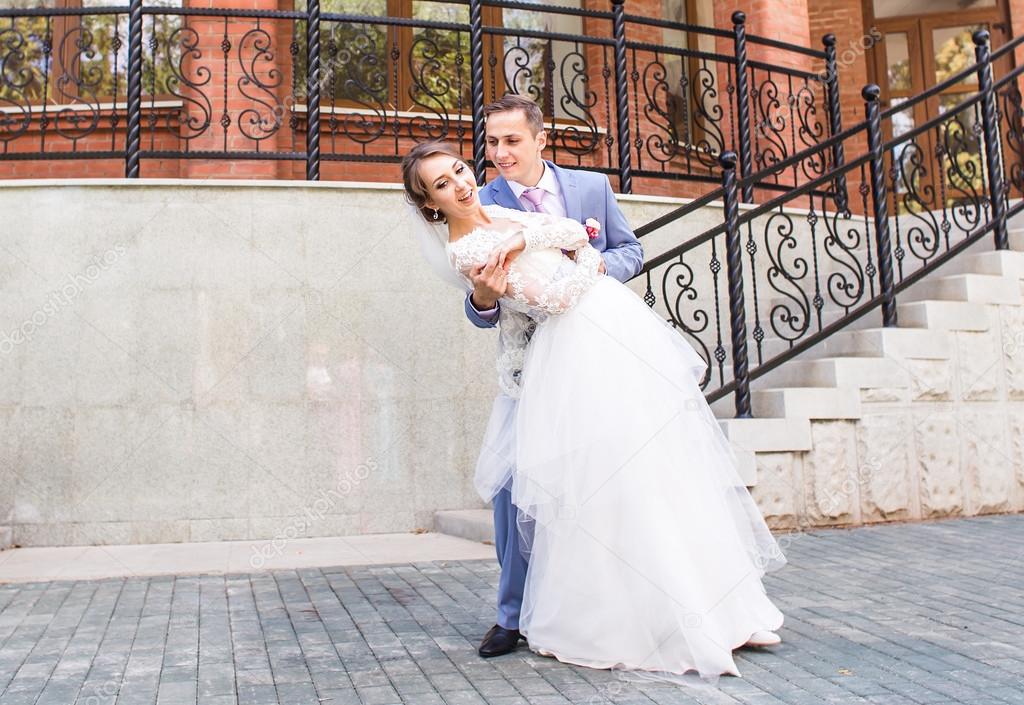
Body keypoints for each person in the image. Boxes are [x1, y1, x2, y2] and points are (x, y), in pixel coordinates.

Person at [400, 138, 787, 684]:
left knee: (661, 474)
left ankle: (725, 609)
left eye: (460, 169)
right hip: (564, 359)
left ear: (534, 138)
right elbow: (553, 294)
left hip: (611, 341)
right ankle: (626, 619)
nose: (460, 183)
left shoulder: (513, 206)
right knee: (596, 489)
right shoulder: (467, 250)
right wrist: (584, 262)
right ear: (429, 204)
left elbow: (578, 234)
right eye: (442, 184)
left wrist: (550, 242)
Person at [462, 95, 643, 659]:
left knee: (599, 479)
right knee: (514, 489)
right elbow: (476, 306)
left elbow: (630, 251)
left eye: (512, 141)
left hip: (593, 355)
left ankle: (605, 603)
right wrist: (484, 300)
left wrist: (588, 273)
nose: (499, 153)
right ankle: (510, 616)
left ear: (542, 139)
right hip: (529, 365)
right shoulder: (479, 202)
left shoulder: (590, 187)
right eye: (492, 142)